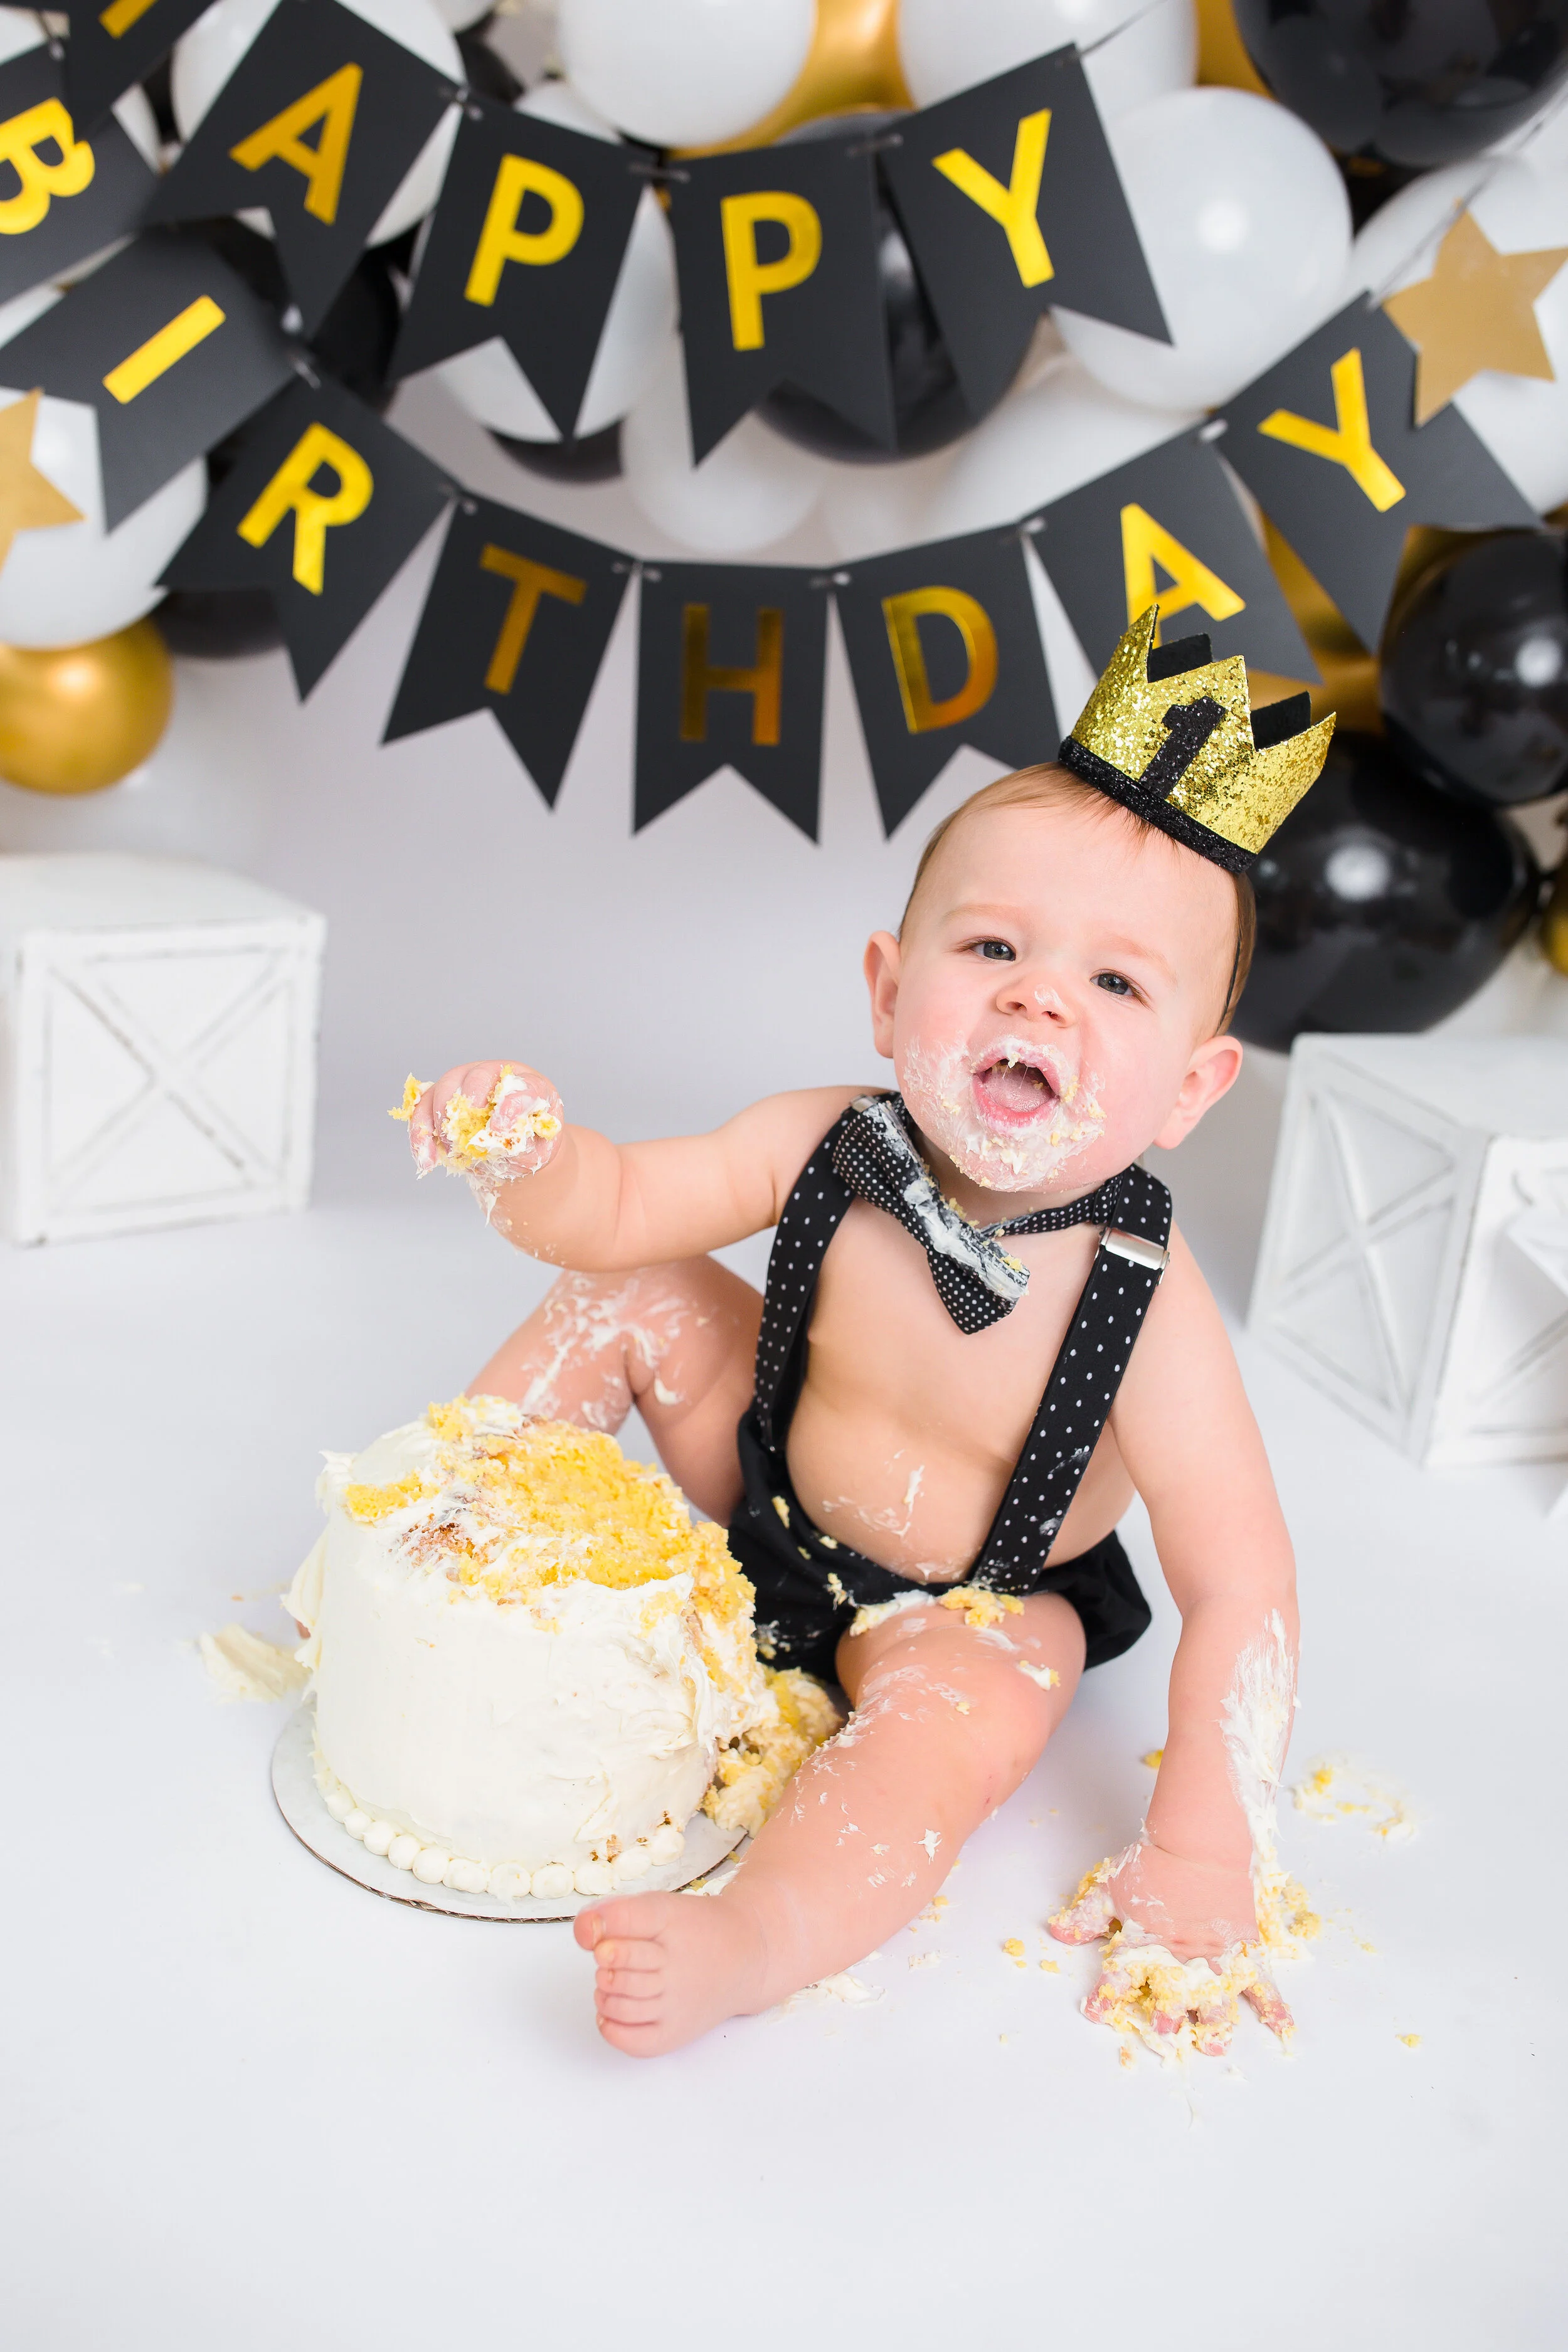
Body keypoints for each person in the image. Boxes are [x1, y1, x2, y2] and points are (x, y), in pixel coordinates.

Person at [404, 611, 1333, 2058]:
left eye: (1114, 983)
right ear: (891, 993)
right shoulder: (824, 1141)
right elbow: (621, 1207)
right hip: (763, 1494)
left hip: (968, 1608)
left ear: (1189, 1090)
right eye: (992, 945)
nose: (1037, 994)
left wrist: (1203, 1847)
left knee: (944, 1736)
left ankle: (755, 1934)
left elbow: (1239, 1584)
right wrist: (528, 1161)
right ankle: (432, 1553)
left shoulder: (1144, 1301)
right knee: (634, 1288)